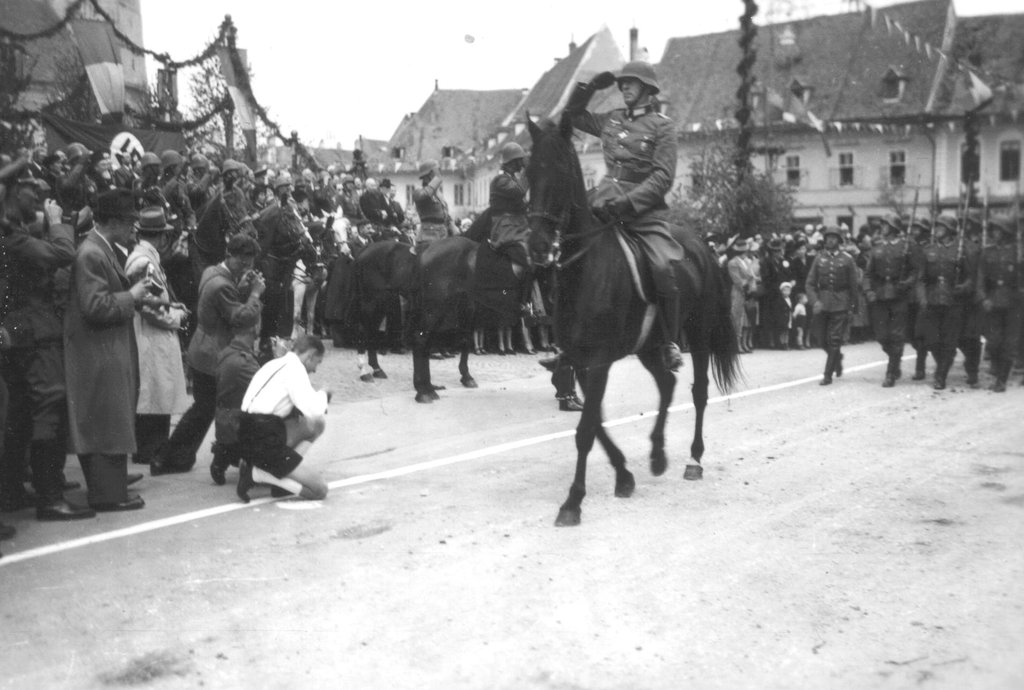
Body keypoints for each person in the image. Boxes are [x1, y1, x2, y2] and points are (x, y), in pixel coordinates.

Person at [565, 61, 685, 371]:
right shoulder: (611, 120)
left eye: (630, 83)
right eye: (622, 84)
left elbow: (663, 178)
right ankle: (566, 337)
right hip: (603, 203)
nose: (624, 88)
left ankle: (668, 341)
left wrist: (628, 203)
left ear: (647, 89)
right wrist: (589, 87)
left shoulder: (662, 126)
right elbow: (574, 116)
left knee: (662, 266)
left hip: (642, 213)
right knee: (570, 255)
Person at [0, 164, 94, 520]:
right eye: (30, 189)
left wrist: (66, 220)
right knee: (48, 408)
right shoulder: (13, 238)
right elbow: (62, 255)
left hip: (16, 334)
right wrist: (58, 223)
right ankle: (50, 496)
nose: (38, 196)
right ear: (10, 193)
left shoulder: (11, 232)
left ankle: (10, 492)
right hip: (35, 334)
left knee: (21, 414)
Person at [64, 189, 156, 511]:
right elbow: (95, 307)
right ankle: (107, 495)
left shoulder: (99, 249)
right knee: (107, 421)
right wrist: (131, 295)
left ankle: (110, 487)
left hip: (102, 349)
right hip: (100, 352)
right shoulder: (92, 253)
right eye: (130, 222)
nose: (134, 228)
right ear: (113, 221)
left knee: (108, 420)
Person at [150, 234, 265, 475]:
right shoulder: (223, 284)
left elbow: (223, 303)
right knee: (213, 408)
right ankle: (171, 457)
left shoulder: (213, 271)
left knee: (204, 409)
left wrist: (241, 286)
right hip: (213, 353)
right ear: (230, 256)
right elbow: (239, 317)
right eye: (243, 263)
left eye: (249, 265)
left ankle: (174, 457)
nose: (246, 268)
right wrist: (254, 294)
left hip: (202, 348)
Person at [123, 207, 190, 465]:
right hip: (151, 335)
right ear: (161, 237)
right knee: (154, 390)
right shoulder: (144, 262)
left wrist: (172, 306)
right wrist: (176, 318)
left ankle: (151, 447)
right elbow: (148, 306)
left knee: (157, 390)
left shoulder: (145, 258)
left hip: (151, 332)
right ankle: (149, 450)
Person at [235, 334, 331, 503]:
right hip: (264, 438)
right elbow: (314, 409)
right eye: (318, 362)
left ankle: (277, 473)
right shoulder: (295, 370)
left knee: (316, 425)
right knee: (319, 490)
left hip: (247, 432)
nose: (315, 369)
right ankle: (260, 474)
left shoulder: (274, 363)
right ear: (310, 356)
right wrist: (324, 393)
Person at [915, 214, 971, 390]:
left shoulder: (960, 251)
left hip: (953, 301)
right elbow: (921, 279)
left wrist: (962, 287)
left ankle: (941, 376)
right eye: (937, 226)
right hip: (932, 300)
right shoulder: (929, 250)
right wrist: (923, 299)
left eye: (941, 227)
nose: (937, 229)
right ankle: (943, 365)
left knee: (949, 341)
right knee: (931, 341)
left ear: (950, 230)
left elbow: (970, 277)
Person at [862, 213, 916, 387]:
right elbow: (868, 273)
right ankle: (896, 358)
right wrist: (869, 291)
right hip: (880, 295)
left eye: (886, 224)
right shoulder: (877, 247)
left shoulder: (905, 246)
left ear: (893, 227)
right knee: (881, 335)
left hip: (899, 295)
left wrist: (906, 283)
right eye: (882, 224)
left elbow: (915, 272)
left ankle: (891, 373)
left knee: (897, 335)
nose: (882, 227)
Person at [805, 225, 858, 385]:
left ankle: (827, 375)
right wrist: (815, 301)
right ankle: (837, 358)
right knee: (820, 339)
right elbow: (810, 283)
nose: (830, 240)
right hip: (822, 302)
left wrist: (852, 307)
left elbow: (853, 285)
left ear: (839, 240)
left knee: (834, 339)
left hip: (841, 303)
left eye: (833, 237)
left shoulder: (847, 259)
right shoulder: (819, 259)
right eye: (828, 237)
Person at [210, 321, 262, 485]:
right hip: (237, 425)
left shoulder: (227, 352)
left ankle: (223, 456)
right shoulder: (244, 360)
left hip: (225, 421)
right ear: (253, 328)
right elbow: (265, 386)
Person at [976, 214, 1021, 392]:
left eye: (999, 230)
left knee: (1009, 343)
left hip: (1015, 302)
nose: (995, 233)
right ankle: (996, 368)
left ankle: (1001, 379)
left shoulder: (1018, 251)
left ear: (1007, 232)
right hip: (993, 301)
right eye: (993, 229)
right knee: (993, 341)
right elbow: (980, 278)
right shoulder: (987, 252)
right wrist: (983, 298)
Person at [489, 141, 534, 312]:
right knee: (526, 261)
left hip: (519, 229)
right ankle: (523, 303)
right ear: (511, 162)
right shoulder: (500, 180)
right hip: (505, 231)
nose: (521, 164)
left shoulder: (512, 179)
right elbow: (519, 192)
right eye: (519, 161)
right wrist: (529, 170)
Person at [412, 160, 455, 250]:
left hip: (442, 235)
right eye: (437, 170)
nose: (439, 173)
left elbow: (445, 213)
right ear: (430, 174)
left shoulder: (438, 194)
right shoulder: (418, 192)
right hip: (428, 237)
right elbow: (426, 195)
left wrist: (452, 225)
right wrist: (437, 179)